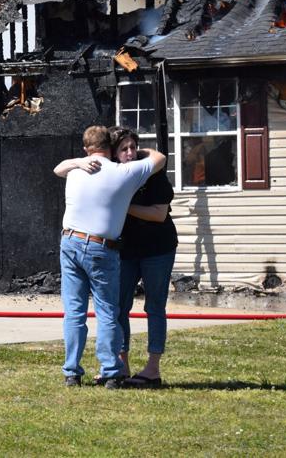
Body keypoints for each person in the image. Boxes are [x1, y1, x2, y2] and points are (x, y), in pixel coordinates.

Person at [53, 125, 166, 389]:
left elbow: (58, 168)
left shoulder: (75, 171)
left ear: (86, 149)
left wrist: (78, 161)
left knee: (74, 312)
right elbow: (160, 159)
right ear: (111, 148)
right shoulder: (123, 172)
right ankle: (111, 370)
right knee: (106, 311)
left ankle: (71, 372)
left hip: (69, 241)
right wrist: (140, 150)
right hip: (101, 247)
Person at [107, 127, 178, 389]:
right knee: (119, 307)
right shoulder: (111, 173)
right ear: (113, 153)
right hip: (125, 249)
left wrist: (124, 206)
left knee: (154, 306)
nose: (130, 153)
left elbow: (159, 214)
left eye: (133, 147)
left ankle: (152, 369)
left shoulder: (151, 171)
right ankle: (121, 365)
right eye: (123, 149)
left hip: (158, 248)